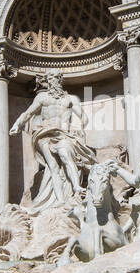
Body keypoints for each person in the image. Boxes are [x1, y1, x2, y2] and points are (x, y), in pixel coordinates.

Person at [10, 73, 96, 208]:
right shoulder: (42, 97)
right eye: (49, 79)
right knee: (53, 167)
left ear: (60, 80)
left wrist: (79, 128)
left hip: (63, 134)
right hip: (44, 134)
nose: (51, 82)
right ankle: (61, 200)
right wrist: (17, 124)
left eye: (54, 78)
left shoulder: (70, 99)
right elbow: (28, 113)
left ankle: (77, 188)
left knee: (65, 154)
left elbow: (83, 117)